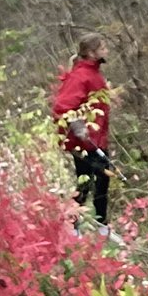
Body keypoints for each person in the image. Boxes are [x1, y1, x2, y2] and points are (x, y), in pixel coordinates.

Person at [50, 34, 115, 225]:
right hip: (85, 141)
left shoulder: (93, 73)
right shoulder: (80, 76)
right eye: (103, 48)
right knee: (93, 181)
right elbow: (62, 106)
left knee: (96, 181)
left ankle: (84, 225)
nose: (106, 51)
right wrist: (79, 127)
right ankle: (82, 226)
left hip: (96, 138)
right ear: (90, 53)